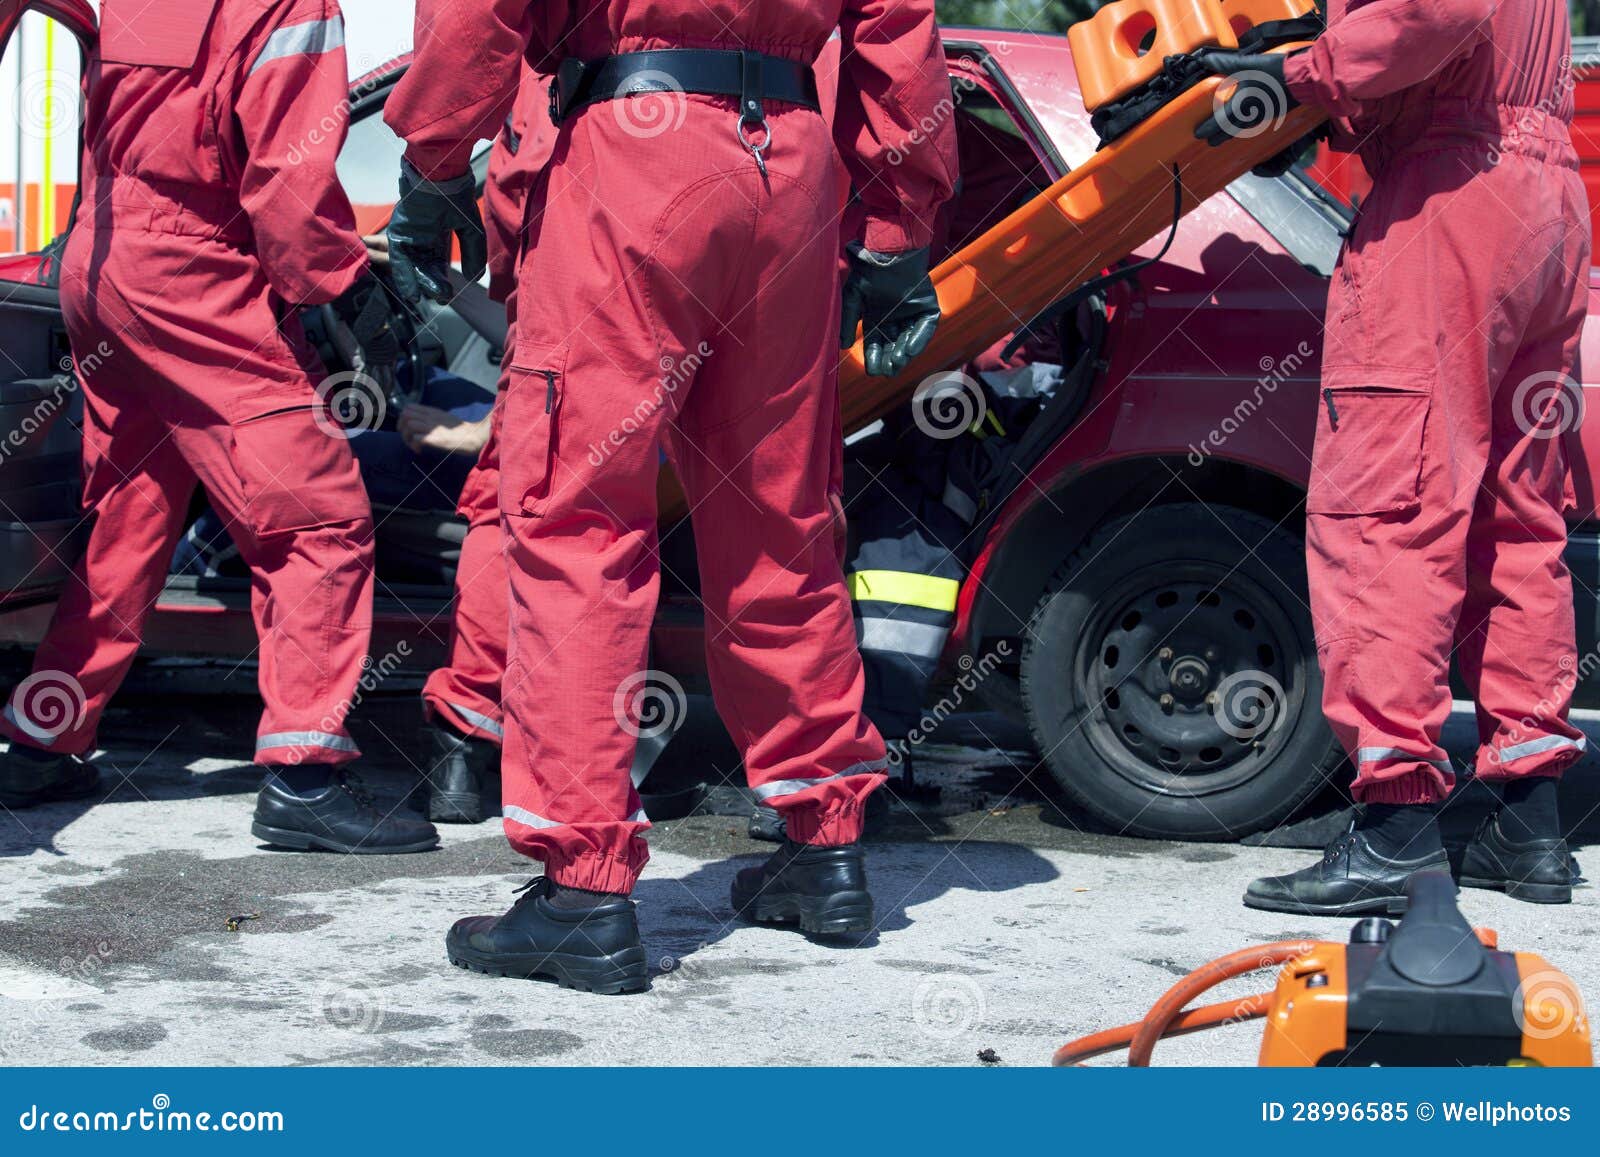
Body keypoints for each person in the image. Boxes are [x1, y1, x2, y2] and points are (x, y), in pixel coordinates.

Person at [384, 0, 956, 992]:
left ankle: (584, 891)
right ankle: (823, 850)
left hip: (634, 160)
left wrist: (435, 160)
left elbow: (481, 12)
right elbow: (897, 27)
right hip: (789, 164)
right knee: (780, 518)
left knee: (579, 523)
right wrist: (900, 226)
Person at [0, 0, 439, 856]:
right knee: (317, 515)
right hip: (196, 270)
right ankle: (304, 774)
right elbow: (289, 182)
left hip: (99, 257)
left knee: (128, 516)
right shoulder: (288, 5)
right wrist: (346, 288)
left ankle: (42, 737)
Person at [1200, 0, 1591, 913]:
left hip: (1449, 197)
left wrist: (1300, 80)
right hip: (1545, 203)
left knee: (1387, 509)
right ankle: (1527, 826)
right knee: (1519, 519)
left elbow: (1433, 10)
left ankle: (1397, 831)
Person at [415, 67, 556, 825]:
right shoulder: (805, 55)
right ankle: (812, 818)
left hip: (588, 298)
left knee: (511, 510)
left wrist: (424, 187)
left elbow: (462, 49)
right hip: (770, 243)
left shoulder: (561, 62)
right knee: (774, 517)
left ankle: (468, 746)